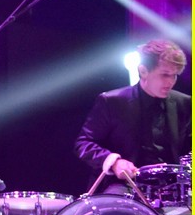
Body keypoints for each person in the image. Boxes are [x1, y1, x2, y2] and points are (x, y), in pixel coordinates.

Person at [74, 39, 191, 190]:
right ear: (143, 71)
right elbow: (83, 143)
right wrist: (114, 162)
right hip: (123, 185)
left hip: (171, 187)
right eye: (165, 75)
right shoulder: (112, 101)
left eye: (174, 75)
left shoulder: (184, 103)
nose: (171, 82)